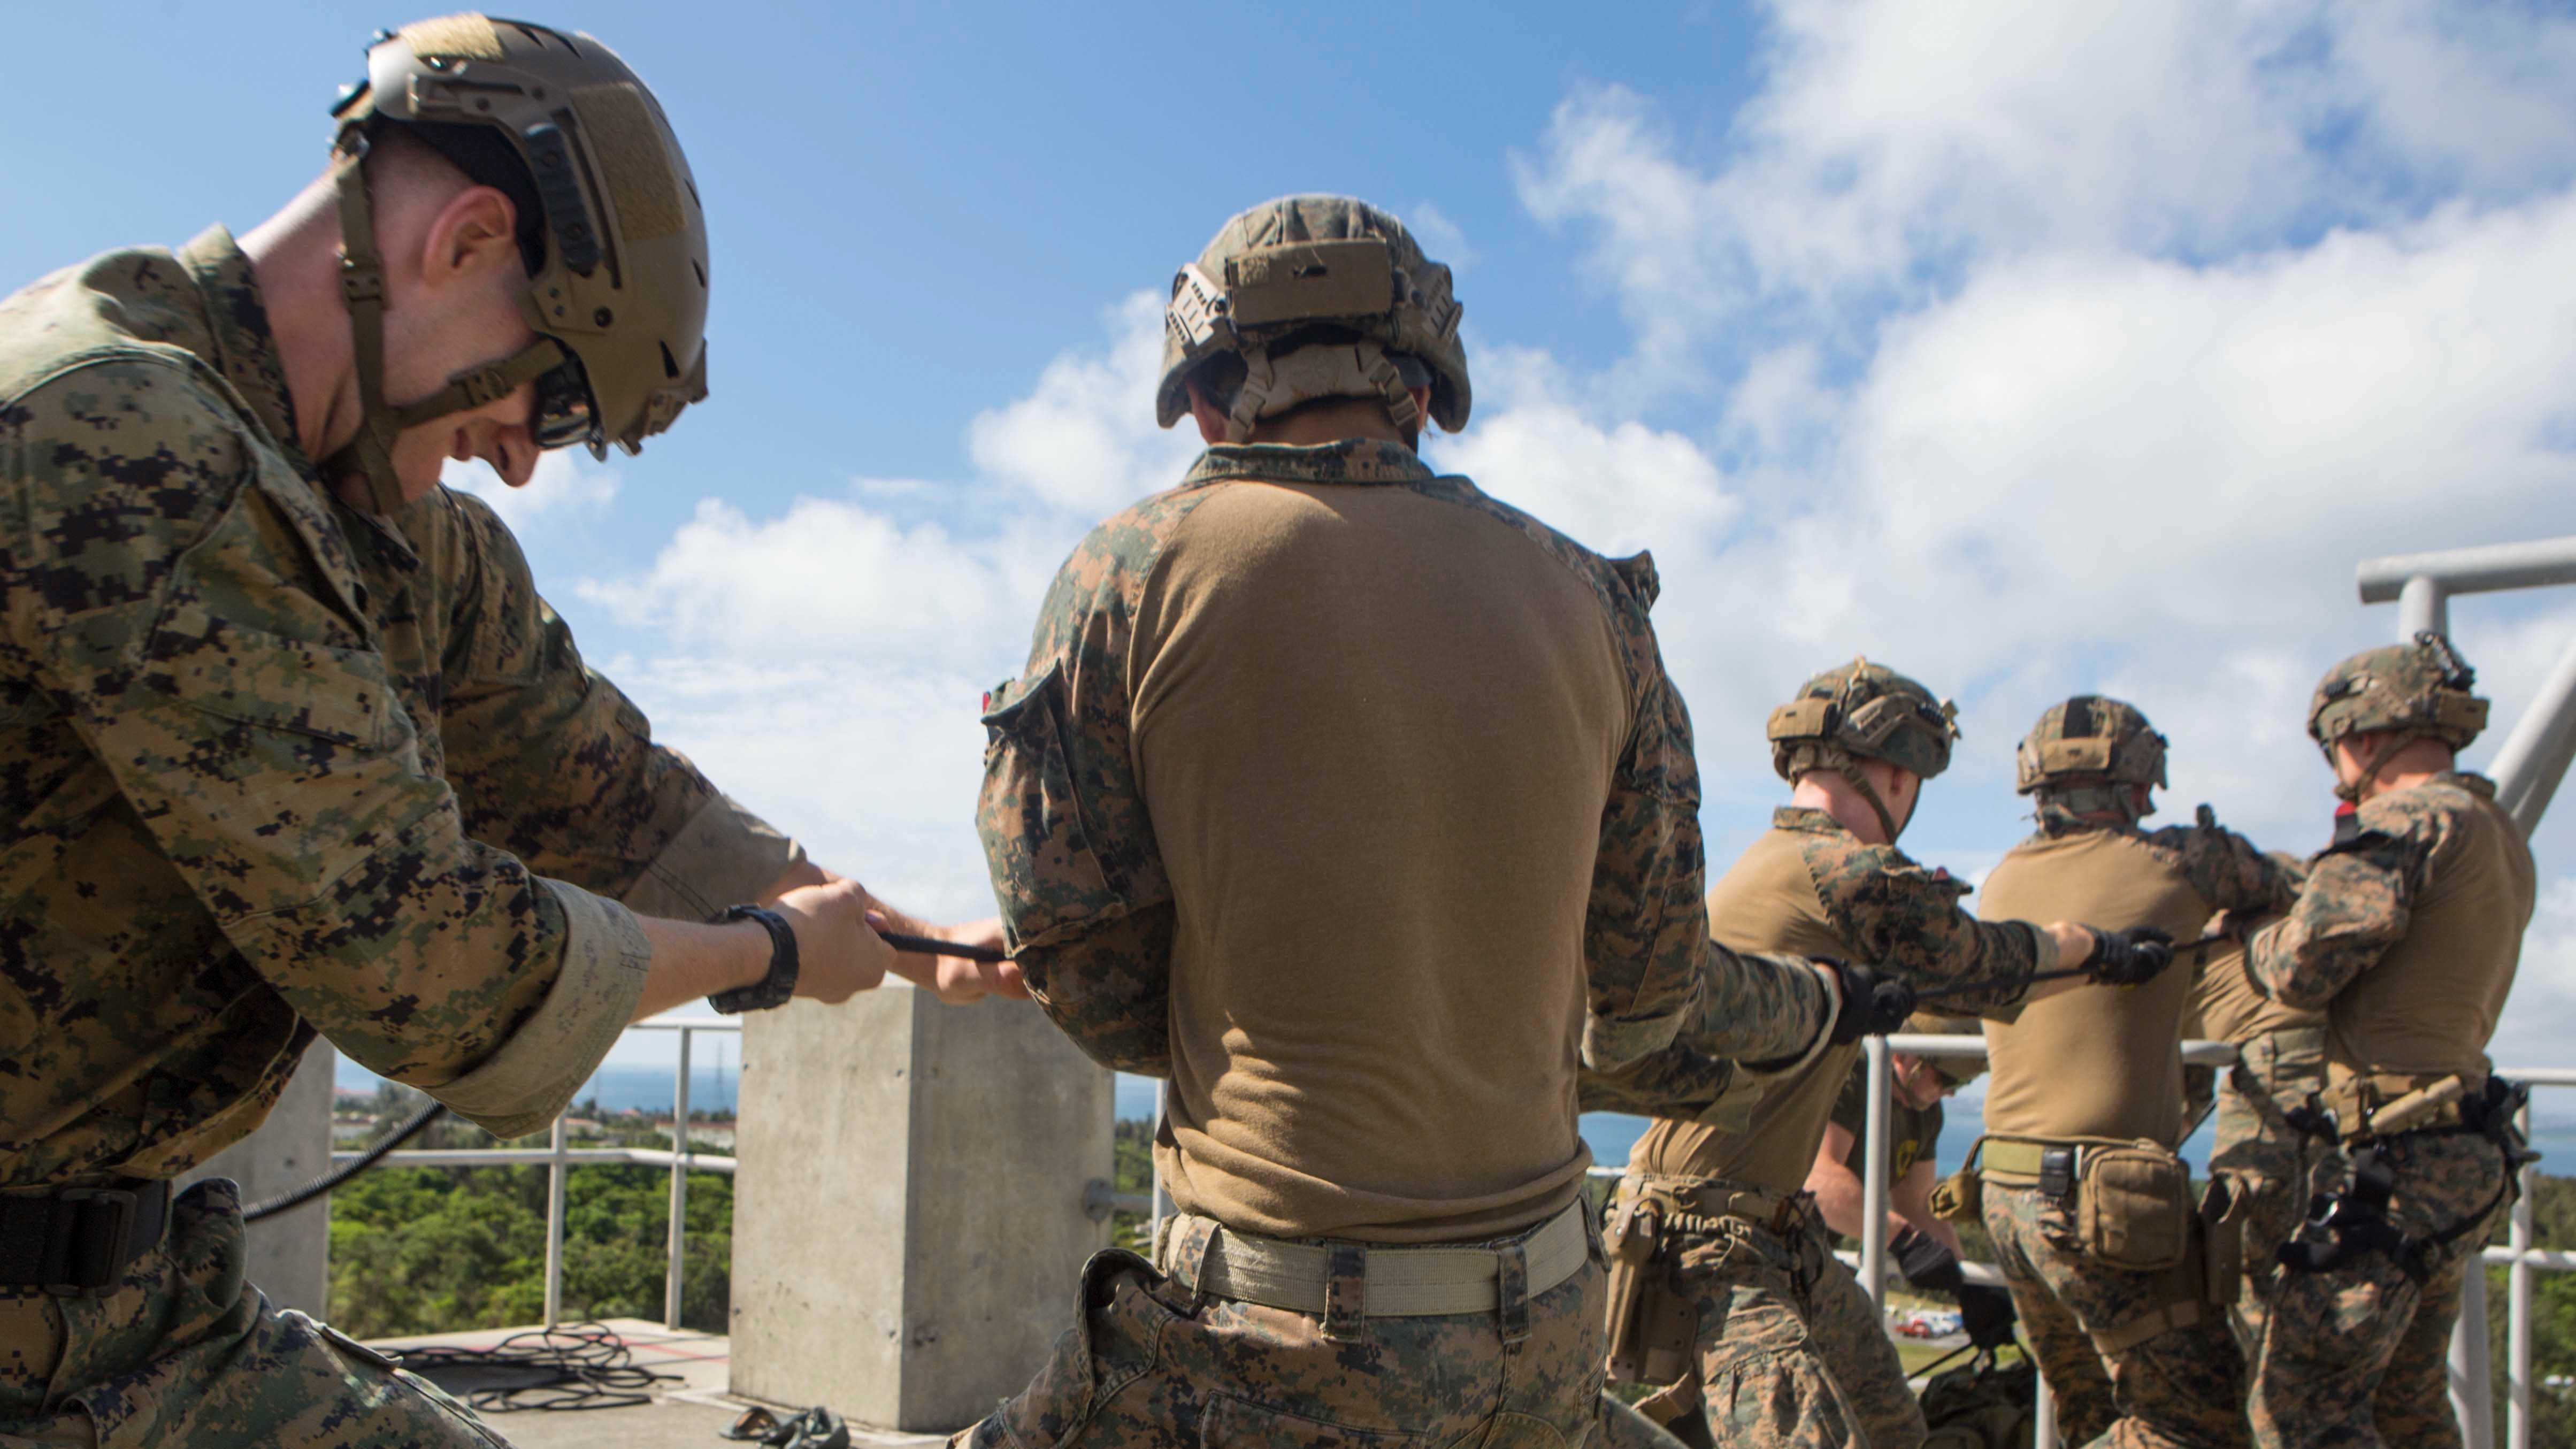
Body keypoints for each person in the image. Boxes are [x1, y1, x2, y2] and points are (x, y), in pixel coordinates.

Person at [0, 17, 998, 1445]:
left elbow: (611, 793)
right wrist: (767, 955)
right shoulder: (121, 433)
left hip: (120, 1310)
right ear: (465, 242)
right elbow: (425, 964)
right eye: (555, 388)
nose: (527, 456)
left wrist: (900, 939)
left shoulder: (389, 528)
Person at [960, 195, 1897, 1449]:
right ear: (1422, 391)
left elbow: (1094, 986)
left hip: (1266, 1346)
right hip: (1545, 1337)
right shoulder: (1595, 602)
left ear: (1208, 396)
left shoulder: (1127, 575)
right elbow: (1643, 990)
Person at [1601, 661, 2167, 1449]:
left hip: (1763, 1230)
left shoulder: (1771, 860)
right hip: (1715, 1239)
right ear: (1900, 774)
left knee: (1896, 1429)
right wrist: (2098, 951)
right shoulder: (1846, 872)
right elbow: (1982, 963)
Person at [1972, 696, 2303, 1448]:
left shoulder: (2002, 879)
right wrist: (2231, 927)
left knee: (2093, 1415)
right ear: (2140, 783)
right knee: (2198, 1422)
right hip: (2101, 1205)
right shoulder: (2183, 861)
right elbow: (2305, 891)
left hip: (2006, 1192)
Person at [2242, 633, 2534, 1449]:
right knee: (2408, 1407)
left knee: (2299, 1407)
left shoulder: (2404, 818)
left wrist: (2255, 941)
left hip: (2398, 1162)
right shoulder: (2496, 829)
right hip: (2463, 1146)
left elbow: (2306, 966)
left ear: (2363, 736)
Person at [1807, 1015, 2019, 1366]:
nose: (1952, 1091)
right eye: (1948, 1078)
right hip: (1762, 1252)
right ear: (1904, 1057)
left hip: (1810, 1258)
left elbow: (1918, 1205)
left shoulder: (1926, 1113)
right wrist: (1904, 1241)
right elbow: (1817, 1181)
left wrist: (1968, 1286)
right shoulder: (1851, 1074)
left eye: (1964, 1083)